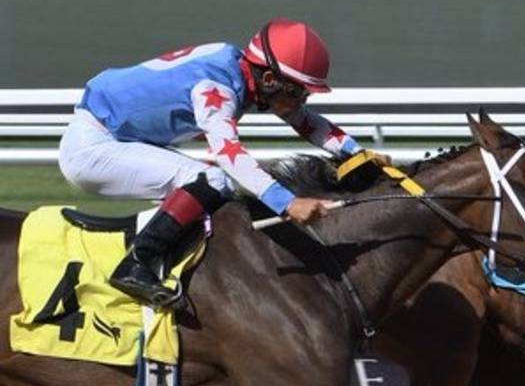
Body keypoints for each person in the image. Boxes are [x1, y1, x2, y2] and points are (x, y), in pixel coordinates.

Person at [58, 17, 382, 307]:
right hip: (94, 147)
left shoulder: (239, 67)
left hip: (119, 135)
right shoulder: (216, 89)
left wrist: (356, 153)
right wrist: (288, 203)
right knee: (213, 180)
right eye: (298, 92)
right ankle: (139, 263)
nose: (302, 101)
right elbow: (231, 157)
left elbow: (305, 121)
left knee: (210, 183)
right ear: (269, 79)